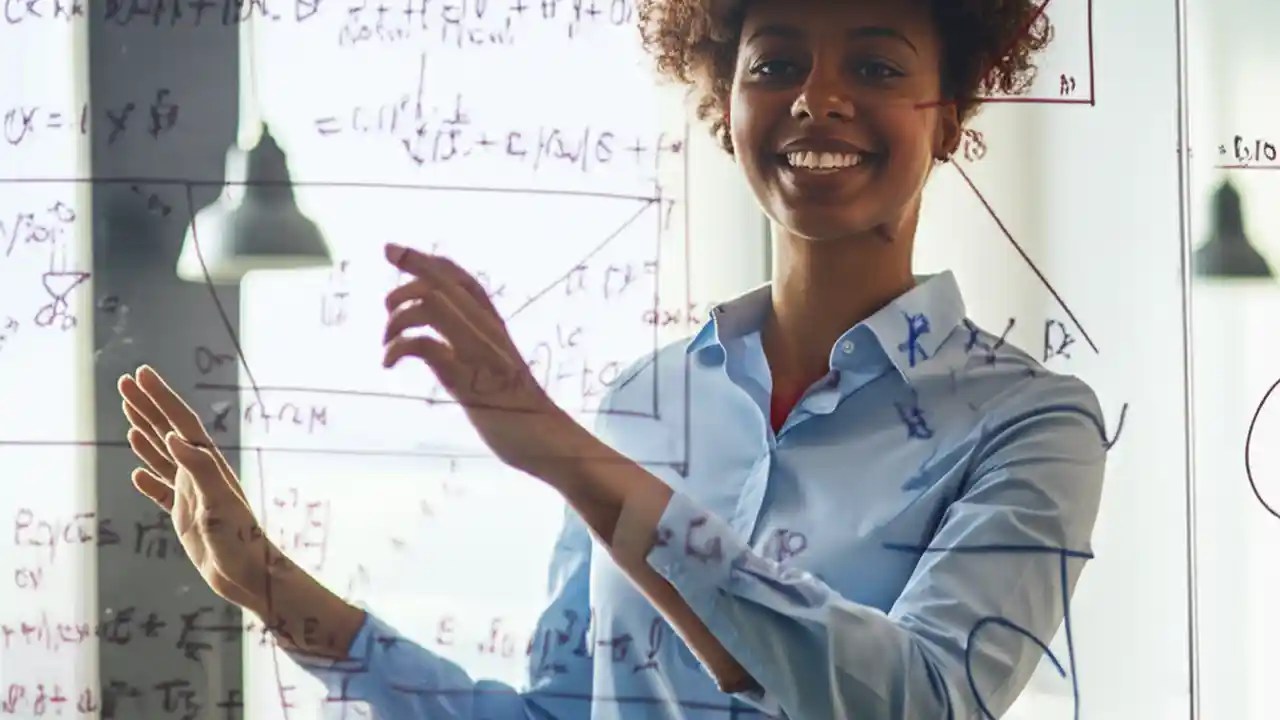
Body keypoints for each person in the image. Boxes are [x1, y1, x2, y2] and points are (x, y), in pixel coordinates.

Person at [115, 0, 1108, 717]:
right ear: (724, 102)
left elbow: (924, 702)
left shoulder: (1029, 422)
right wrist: (279, 592)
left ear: (951, 112)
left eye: (877, 67)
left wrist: (565, 458)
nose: (817, 99)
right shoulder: (643, 399)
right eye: (773, 64)